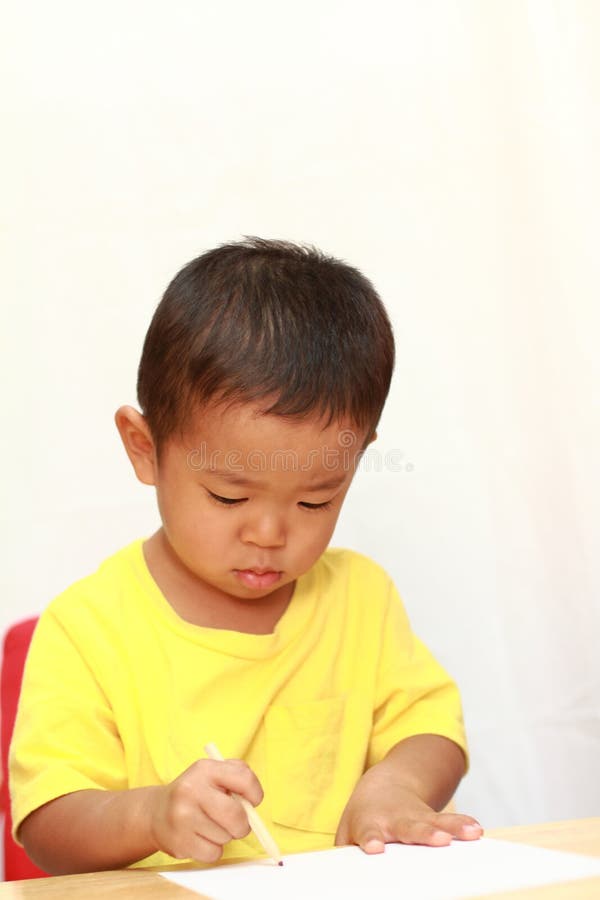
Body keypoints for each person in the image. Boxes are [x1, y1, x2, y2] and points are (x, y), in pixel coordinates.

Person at [9, 238, 482, 875]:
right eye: (229, 496)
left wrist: (395, 785)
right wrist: (152, 814)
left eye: (315, 500)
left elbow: (431, 728)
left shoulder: (360, 598)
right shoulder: (88, 626)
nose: (268, 533)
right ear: (145, 448)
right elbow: (46, 825)